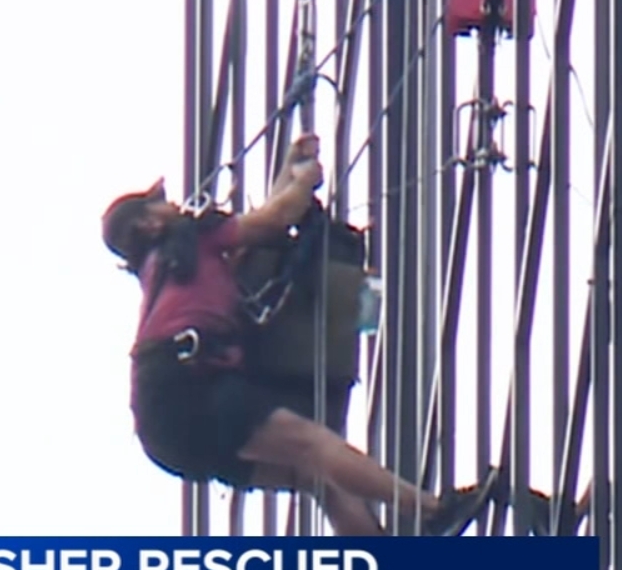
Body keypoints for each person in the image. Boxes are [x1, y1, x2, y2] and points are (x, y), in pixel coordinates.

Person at [102, 133, 497, 537]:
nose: (173, 203)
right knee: (312, 444)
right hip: (189, 391)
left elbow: (264, 226)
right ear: (149, 222)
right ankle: (433, 511)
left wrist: (290, 166)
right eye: (160, 202)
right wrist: (305, 181)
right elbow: (276, 219)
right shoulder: (191, 237)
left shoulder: (172, 267)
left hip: (165, 429)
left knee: (315, 475)